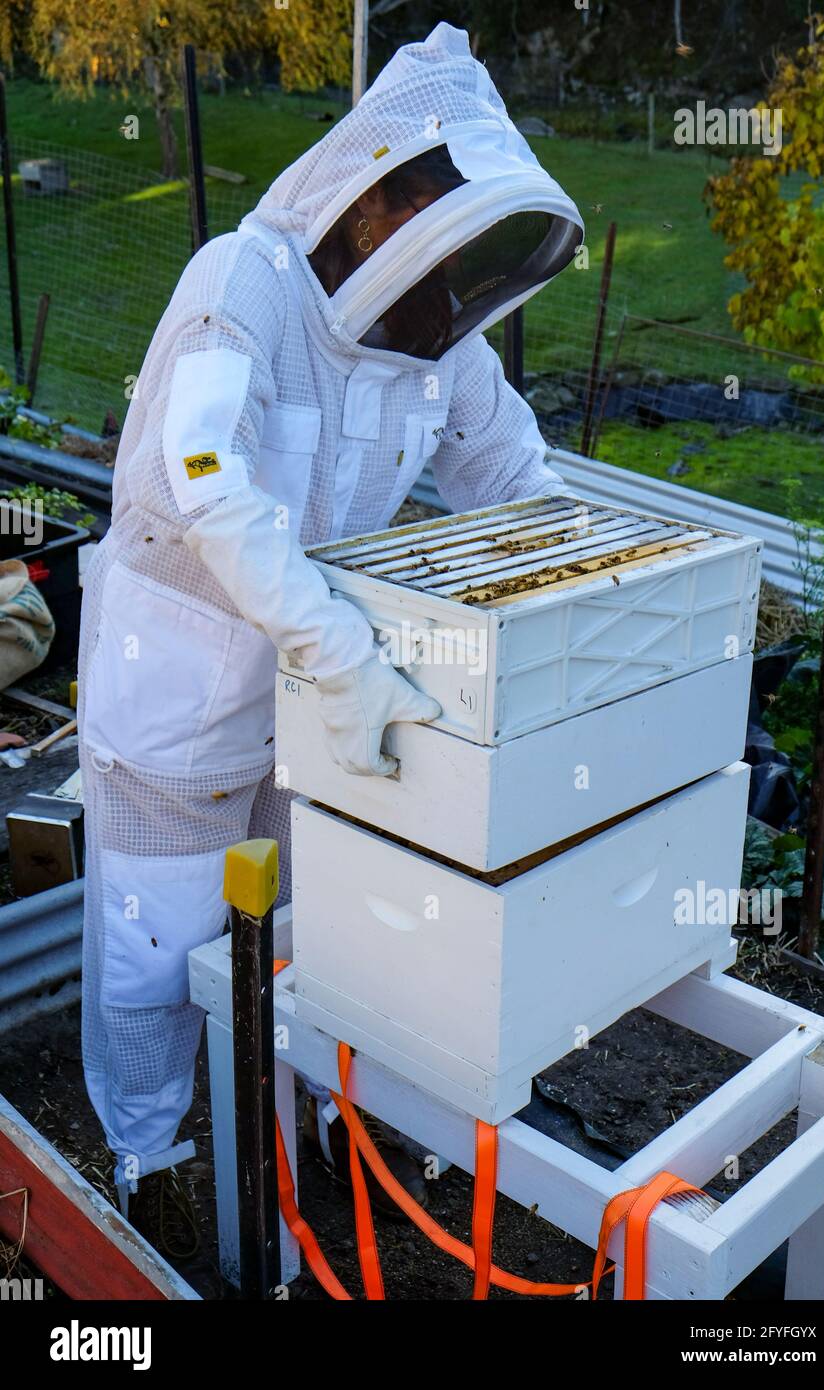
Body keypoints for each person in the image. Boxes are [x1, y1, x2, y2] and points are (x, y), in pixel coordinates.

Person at [77, 21, 584, 1261]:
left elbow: (511, 473)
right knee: (158, 948)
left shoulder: (433, 339)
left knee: (294, 946)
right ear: (371, 203)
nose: (446, 285)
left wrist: (597, 584)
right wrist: (344, 653)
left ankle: (285, 1150)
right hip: (184, 699)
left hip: (309, 709)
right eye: (429, 228)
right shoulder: (239, 284)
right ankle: (155, 1167)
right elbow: (210, 484)